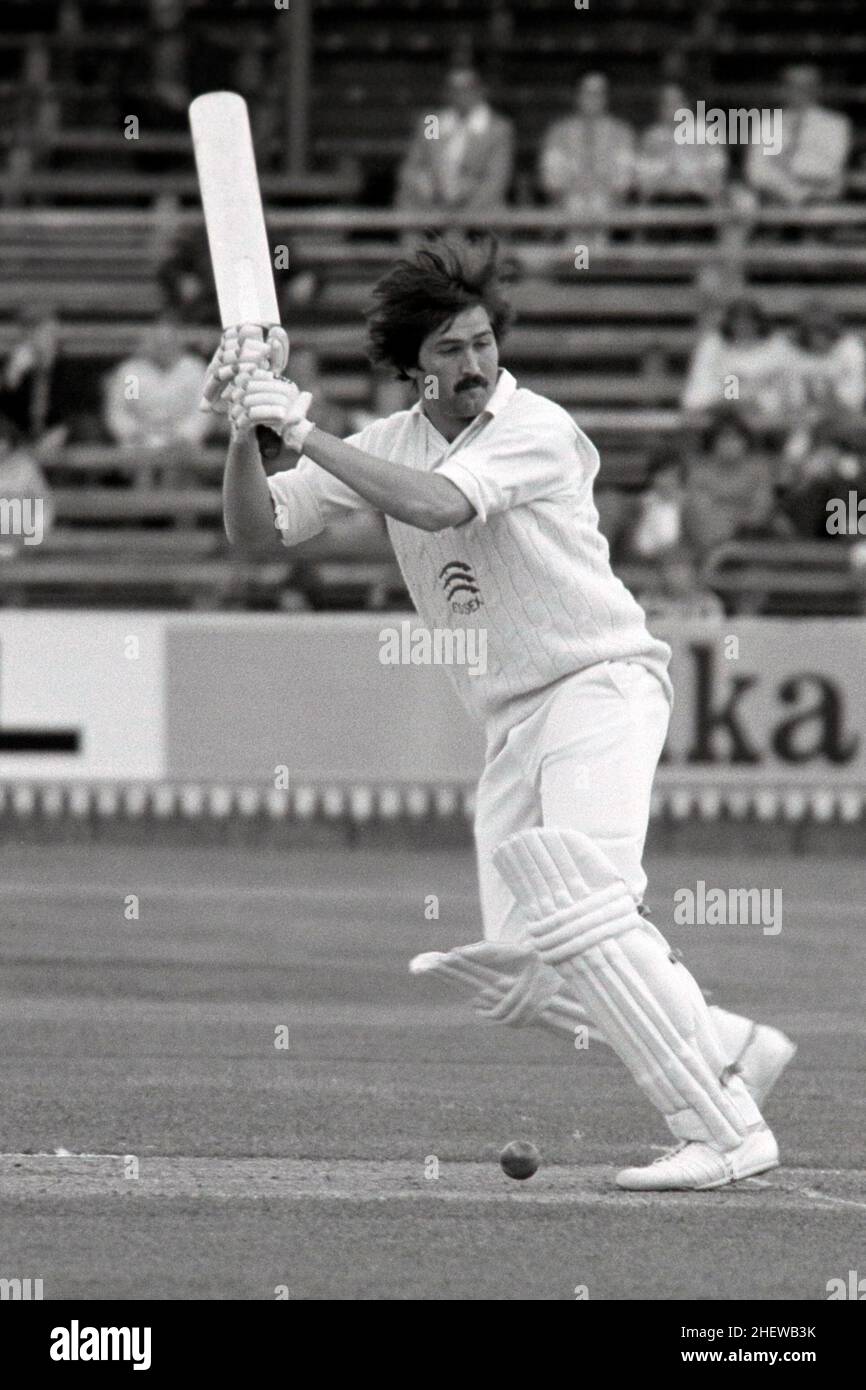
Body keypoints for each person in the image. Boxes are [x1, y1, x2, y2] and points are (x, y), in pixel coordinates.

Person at [204, 234, 794, 1192]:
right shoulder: (388, 442)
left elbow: (440, 508)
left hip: (598, 684)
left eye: (481, 342)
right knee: (526, 974)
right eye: (448, 350)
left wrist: (306, 432)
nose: (473, 364)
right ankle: (727, 1041)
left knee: (583, 909)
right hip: (513, 722)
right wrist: (244, 432)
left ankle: (727, 1129)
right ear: (410, 367)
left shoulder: (538, 427)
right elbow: (255, 530)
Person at [104, 317, 209, 485]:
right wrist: (133, 432)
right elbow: (123, 410)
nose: (163, 348)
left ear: (177, 344)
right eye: (158, 343)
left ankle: (180, 509)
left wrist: (186, 435)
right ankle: (143, 508)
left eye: (167, 343)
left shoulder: (193, 370)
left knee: (181, 465)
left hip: (182, 439)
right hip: (141, 438)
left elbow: (201, 411)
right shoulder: (134, 373)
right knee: (140, 463)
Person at [396, 66, 514, 214]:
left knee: (494, 209)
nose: (460, 95)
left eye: (467, 89)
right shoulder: (432, 122)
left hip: (475, 203)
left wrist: (464, 213)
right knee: (406, 199)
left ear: (480, 91)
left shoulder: (497, 128)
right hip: (431, 200)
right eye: (454, 89)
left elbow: (496, 180)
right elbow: (412, 167)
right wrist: (424, 188)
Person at [539, 73, 634, 247]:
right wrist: (575, 189)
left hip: (607, 203)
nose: (592, 99)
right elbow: (551, 177)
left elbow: (623, 179)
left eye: (598, 93)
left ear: (606, 97)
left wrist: (600, 189)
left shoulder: (622, 133)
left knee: (597, 206)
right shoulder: (557, 132)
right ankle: (580, 268)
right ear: (577, 95)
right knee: (577, 206)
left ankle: (594, 268)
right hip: (569, 201)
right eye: (587, 93)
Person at [744, 65, 851, 207]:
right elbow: (755, 171)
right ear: (783, 89)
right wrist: (786, 189)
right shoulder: (767, 124)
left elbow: (830, 169)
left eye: (806, 86)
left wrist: (784, 164)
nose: (800, 92)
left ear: (816, 89)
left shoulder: (835, 124)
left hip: (820, 200)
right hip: (774, 200)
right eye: (793, 85)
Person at [681, 297, 790, 425]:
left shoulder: (777, 346)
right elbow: (702, 380)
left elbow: (782, 382)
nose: (743, 325)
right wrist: (730, 401)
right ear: (729, 322)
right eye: (737, 321)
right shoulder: (713, 345)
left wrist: (755, 397)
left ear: (759, 322)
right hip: (720, 408)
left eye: (749, 321)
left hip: (766, 409)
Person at [636, 82, 728, 206]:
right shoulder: (651, 136)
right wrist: (667, 173)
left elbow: (716, 168)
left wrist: (684, 174)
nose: (672, 109)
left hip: (699, 198)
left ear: (687, 104)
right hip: (660, 199)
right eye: (666, 104)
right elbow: (643, 174)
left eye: (677, 103)